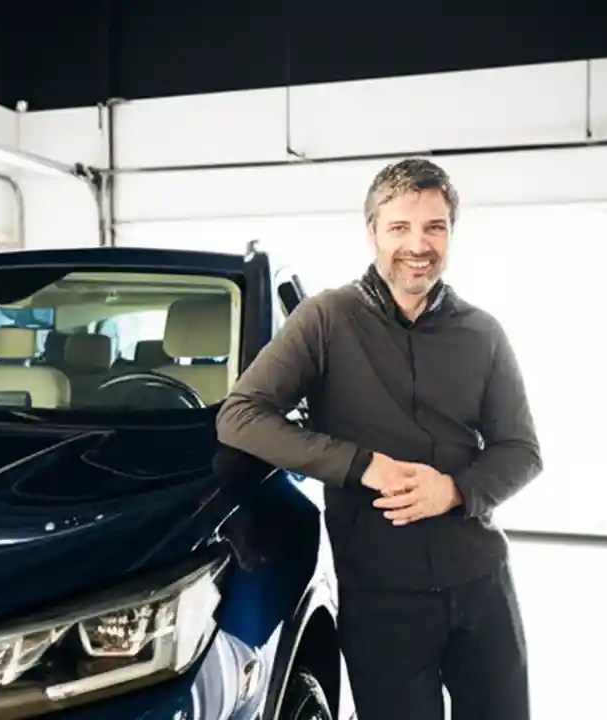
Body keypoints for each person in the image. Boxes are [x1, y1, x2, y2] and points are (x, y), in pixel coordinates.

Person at [215, 158, 542, 720]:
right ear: (372, 232)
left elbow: (522, 451)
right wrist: (361, 465)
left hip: (482, 587)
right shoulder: (326, 320)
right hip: (382, 598)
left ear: (450, 233)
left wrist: (455, 490)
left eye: (434, 227)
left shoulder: (482, 332)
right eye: (400, 227)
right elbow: (241, 415)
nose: (419, 244)